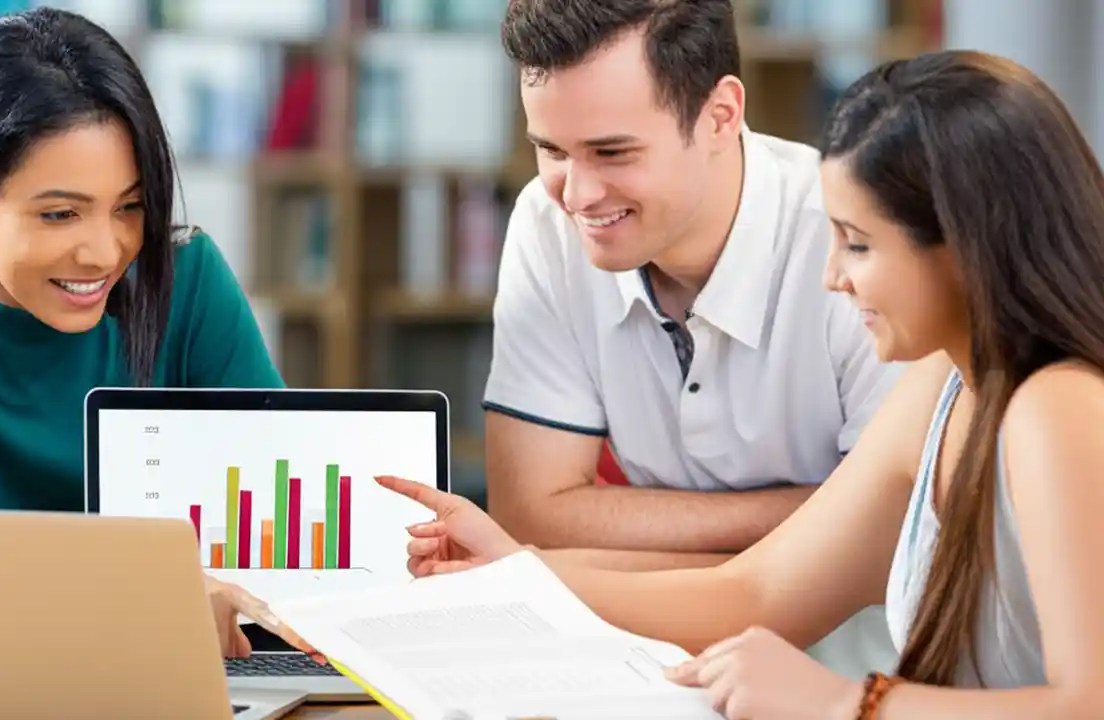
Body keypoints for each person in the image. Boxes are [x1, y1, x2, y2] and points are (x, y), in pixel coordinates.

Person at [381, 48, 1104, 717]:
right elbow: (754, 591)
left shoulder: (1055, 406)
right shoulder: (942, 392)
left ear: (961, 245)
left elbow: (1089, 704)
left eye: (858, 243)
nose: (833, 277)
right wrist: (518, 572)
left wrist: (844, 702)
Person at [0, 8, 309, 660]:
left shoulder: (186, 282)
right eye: (60, 213)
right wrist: (150, 593)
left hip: (184, 668)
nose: (106, 252)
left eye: (130, 207)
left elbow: (284, 496)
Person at [482, 0, 900, 674]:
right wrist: (815, 518)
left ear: (721, 115)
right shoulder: (546, 220)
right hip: (646, 670)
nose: (578, 194)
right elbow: (534, 515)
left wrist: (593, 545)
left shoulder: (851, 236)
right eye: (550, 150)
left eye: (612, 152)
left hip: (861, 679)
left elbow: (885, 542)